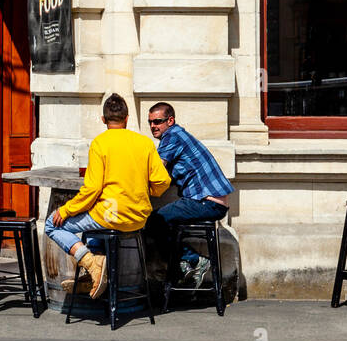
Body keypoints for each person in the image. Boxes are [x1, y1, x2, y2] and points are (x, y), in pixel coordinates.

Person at [45, 93, 171, 299]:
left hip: (110, 216)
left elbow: (92, 189)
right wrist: (143, 191)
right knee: (95, 227)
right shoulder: (144, 143)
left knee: (52, 224)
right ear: (127, 118)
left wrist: (65, 210)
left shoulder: (100, 143)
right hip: (138, 219)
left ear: (103, 119)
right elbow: (162, 181)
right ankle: (95, 268)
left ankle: (90, 263)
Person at [147, 102, 233, 288]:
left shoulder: (172, 136)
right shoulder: (177, 136)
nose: (153, 126)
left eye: (158, 121)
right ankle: (184, 267)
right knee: (161, 221)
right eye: (150, 122)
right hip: (211, 202)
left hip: (207, 203)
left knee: (154, 221)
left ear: (170, 120)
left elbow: (155, 170)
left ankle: (192, 261)